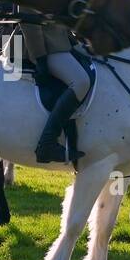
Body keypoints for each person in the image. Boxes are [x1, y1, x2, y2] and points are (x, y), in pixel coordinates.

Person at [20, 17, 90, 163]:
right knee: (81, 82)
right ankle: (47, 143)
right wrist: (40, 59)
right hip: (42, 47)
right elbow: (29, 20)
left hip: (62, 42)